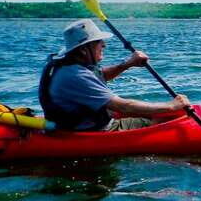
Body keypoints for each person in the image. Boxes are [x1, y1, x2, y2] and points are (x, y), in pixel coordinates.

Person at [39, 19, 191, 131]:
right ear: (84, 50)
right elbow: (123, 106)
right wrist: (170, 106)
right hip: (91, 130)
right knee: (159, 120)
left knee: (149, 112)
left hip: (75, 122)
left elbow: (100, 75)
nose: (104, 45)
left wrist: (128, 64)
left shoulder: (68, 65)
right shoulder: (76, 75)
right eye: (98, 42)